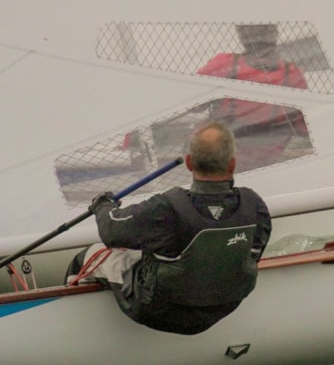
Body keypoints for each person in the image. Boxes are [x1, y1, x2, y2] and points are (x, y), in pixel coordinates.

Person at [70, 121, 271, 335]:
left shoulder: (166, 208)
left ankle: (75, 330)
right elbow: (254, 254)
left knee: (92, 254)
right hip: (224, 306)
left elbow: (111, 230)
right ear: (232, 164)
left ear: (189, 163)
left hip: (159, 311)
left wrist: (102, 204)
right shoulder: (254, 205)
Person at [198, 23, 311, 168]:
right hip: (267, 158)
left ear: (242, 36)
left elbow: (193, 106)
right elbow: (303, 125)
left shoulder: (225, 63)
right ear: (274, 35)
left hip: (219, 154)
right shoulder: (291, 73)